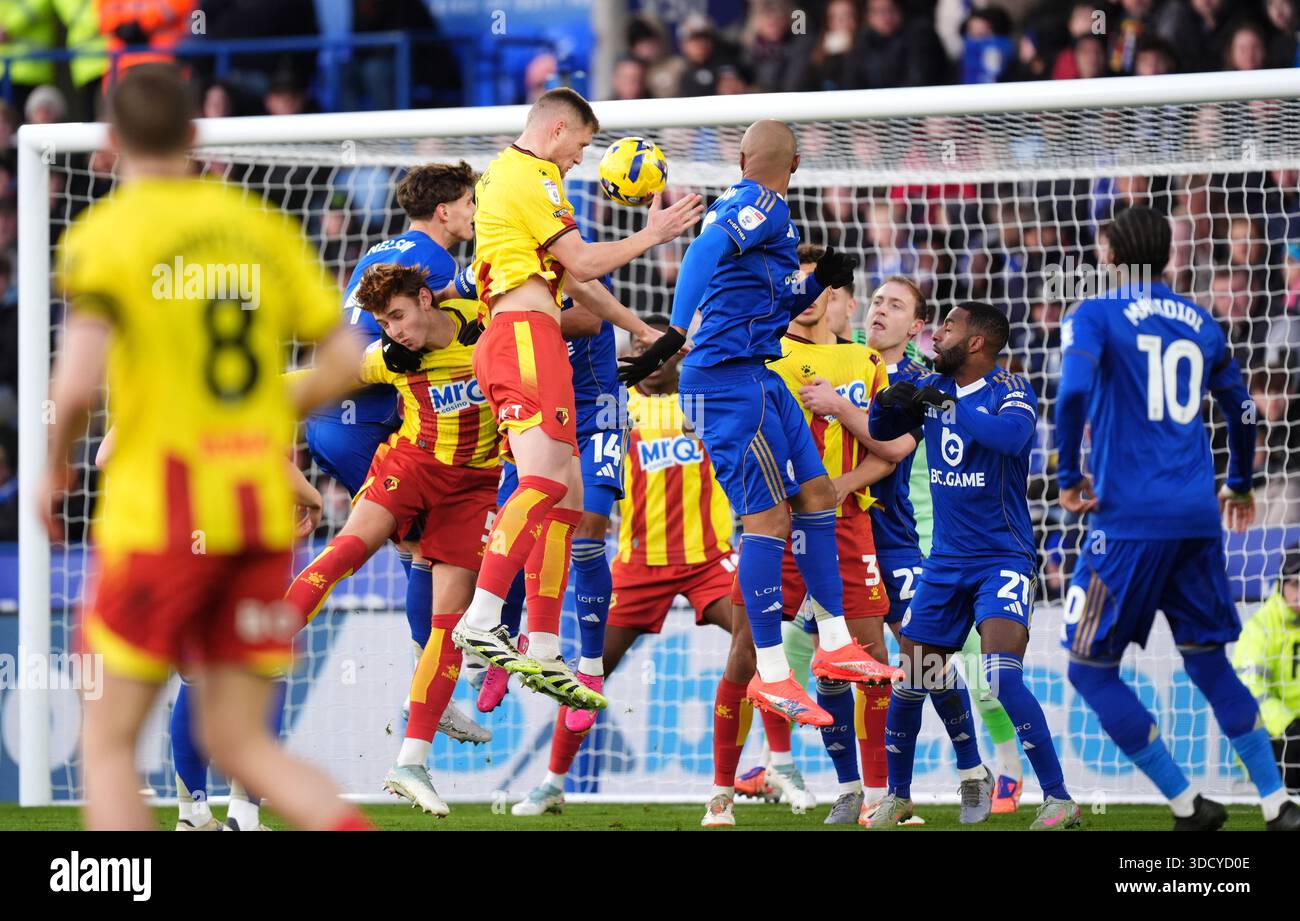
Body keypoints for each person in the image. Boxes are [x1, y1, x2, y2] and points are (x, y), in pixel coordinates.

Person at [42, 64, 366, 831]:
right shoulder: (256, 227)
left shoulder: (108, 234)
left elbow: (79, 383)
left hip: (163, 510)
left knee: (109, 743)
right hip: (255, 507)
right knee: (242, 742)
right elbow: (346, 358)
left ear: (111, 143)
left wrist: (53, 462)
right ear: (194, 135)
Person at [618, 120, 899, 827]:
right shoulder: (757, 202)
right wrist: (674, 334)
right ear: (792, 165)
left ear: (746, 157)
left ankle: (833, 640)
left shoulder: (771, 223)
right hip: (723, 381)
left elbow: (763, 300)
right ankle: (774, 673)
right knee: (769, 518)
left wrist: (815, 279)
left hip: (755, 372)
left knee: (814, 498)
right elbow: (702, 253)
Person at [449, 87, 702, 708]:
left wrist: (644, 331)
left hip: (530, 334)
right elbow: (585, 263)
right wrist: (657, 234)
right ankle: (482, 619)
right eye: (584, 146)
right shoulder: (527, 175)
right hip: (521, 338)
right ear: (558, 129)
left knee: (564, 489)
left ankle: (541, 643)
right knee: (541, 483)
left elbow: (574, 284)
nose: (582, 160)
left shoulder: (518, 182)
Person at [1055, 205, 1300, 831]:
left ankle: (1187, 803)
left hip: (1129, 523)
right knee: (1209, 661)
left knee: (1087, 669)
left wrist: (1065, 476)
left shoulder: (1095, 313)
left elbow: (1074, 392)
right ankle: (1277, 803)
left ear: (1113, 254)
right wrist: (1239, 482)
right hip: (1196, 518)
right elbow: (1243, 408)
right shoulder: (1201, 321)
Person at [284, 266, 499, 819]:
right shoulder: (386, 356)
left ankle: (411, 763)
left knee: (450, 625)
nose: (395, 331)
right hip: (411, 464)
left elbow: (558, 327)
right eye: (384, 322)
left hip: (474, 486)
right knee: (350, 548)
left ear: (427, 299)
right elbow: (320, 377)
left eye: (399, 316)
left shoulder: (487, 322)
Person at [511, 314, 742, 816]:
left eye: (654, 346)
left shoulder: (703, 401)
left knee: (758, 642)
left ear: (677, 352)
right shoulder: (616, 406)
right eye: (636, 344)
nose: (644, 355)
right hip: (637, 565)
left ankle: (771, 770)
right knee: (588, 672)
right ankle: (552, 782)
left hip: (709, 560)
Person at [809, 275, 1018, 825]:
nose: (880, 311)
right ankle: (852, 787)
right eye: (876, 301)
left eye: (895, 305)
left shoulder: (923, 380)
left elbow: (897, 448)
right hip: (830, 536)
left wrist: (843, 446)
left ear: (917, 327)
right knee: (832, 662)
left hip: (896, 536)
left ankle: (974, 771)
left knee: (922, 660)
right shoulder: (845, 359)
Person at [866, 301, 1081, 831]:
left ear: (977, 342)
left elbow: (1009, 440)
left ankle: (1059, 798)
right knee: (911, 676)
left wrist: (950, 405)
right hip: (944, 563)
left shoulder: (1011, 389)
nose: (938, 334)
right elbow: (881, 433)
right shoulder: (928, 386)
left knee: (1001, 678)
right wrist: (889, 406)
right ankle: (898, 796)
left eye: (949, 326)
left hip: (1002, 558)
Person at [1233, 547, 1300, 794]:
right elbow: (1250, 692)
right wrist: (1289, 725)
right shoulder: (1260, 627)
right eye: (1295, 584)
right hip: (1275, 735)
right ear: (1281, 585)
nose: (1299, 593)